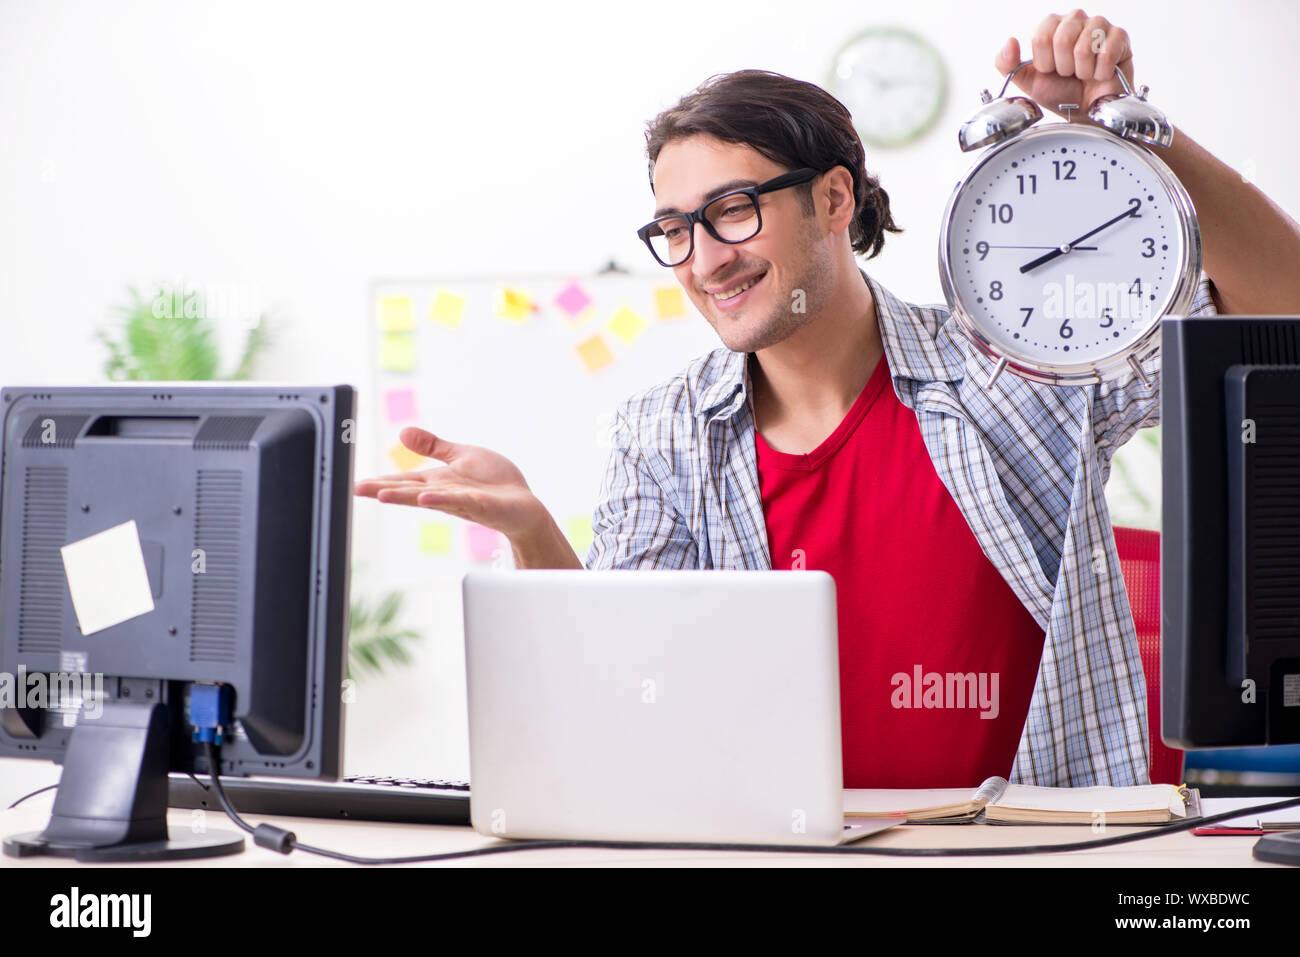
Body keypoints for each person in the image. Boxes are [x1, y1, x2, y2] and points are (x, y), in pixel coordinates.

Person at [355, 11, 1300, 787]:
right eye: (675, 229)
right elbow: (616, 686)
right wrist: (531, 531)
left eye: (733, 211)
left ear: (836, 199)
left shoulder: (1013, 368)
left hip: (1036, 850)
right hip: (779, 854)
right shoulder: (664, 433)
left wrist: (1130, 128)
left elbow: (1282, 303)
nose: (705, 260)